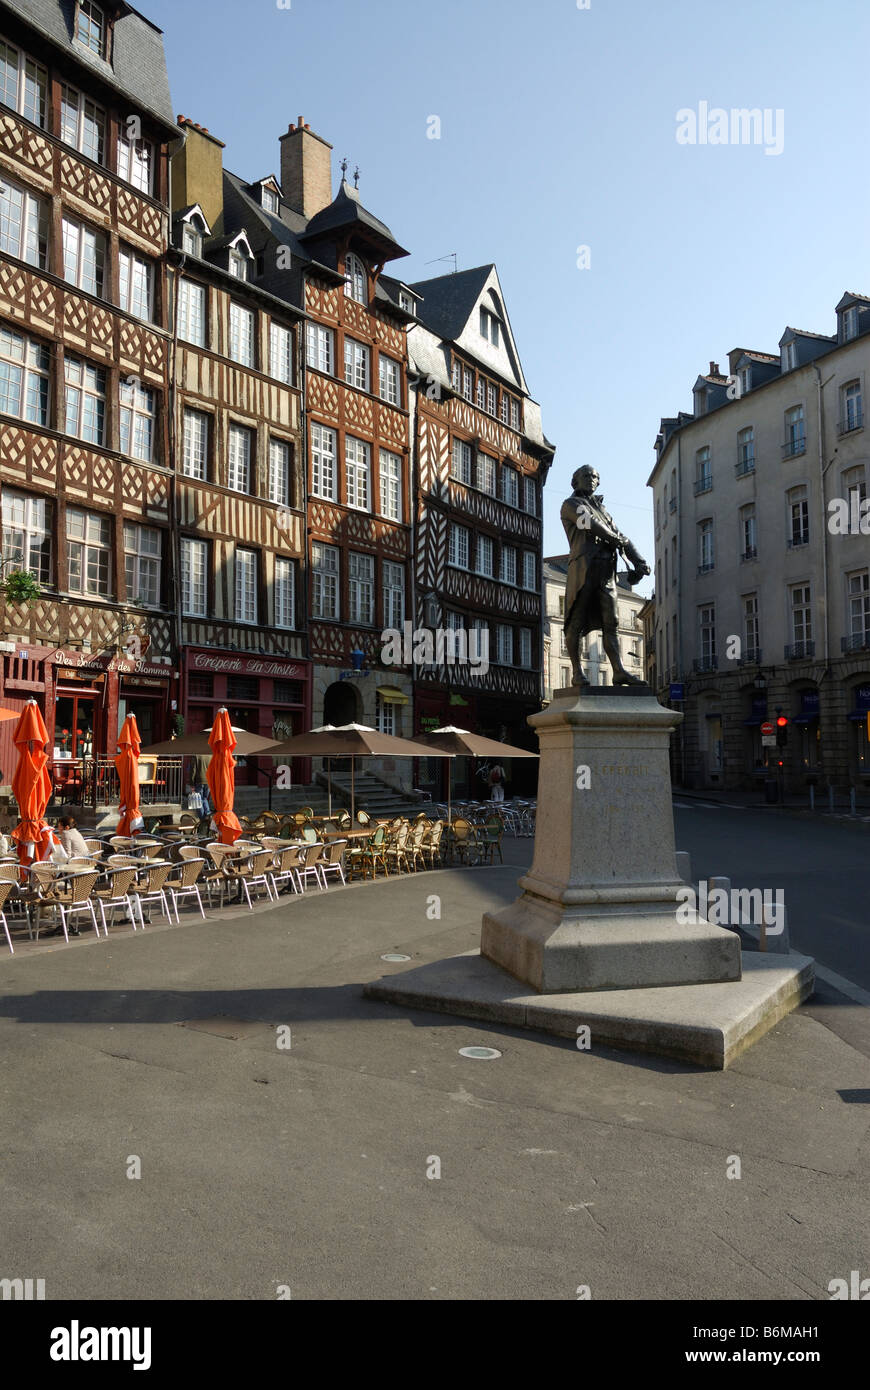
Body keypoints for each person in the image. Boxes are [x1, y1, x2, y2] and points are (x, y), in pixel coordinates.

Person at [562, 465, 650, 687]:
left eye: (594, 477)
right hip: (583, 569)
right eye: (586, 476)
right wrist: (614, 538)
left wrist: (639, 561)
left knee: (612, 623)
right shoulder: (571, 504)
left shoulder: (604, 512)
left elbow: (623, 538)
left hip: (606, 573)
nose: (591, 479)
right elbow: (588, 524)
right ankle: (576, 672)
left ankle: (619, 670)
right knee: (576, 620)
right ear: (575, 482)